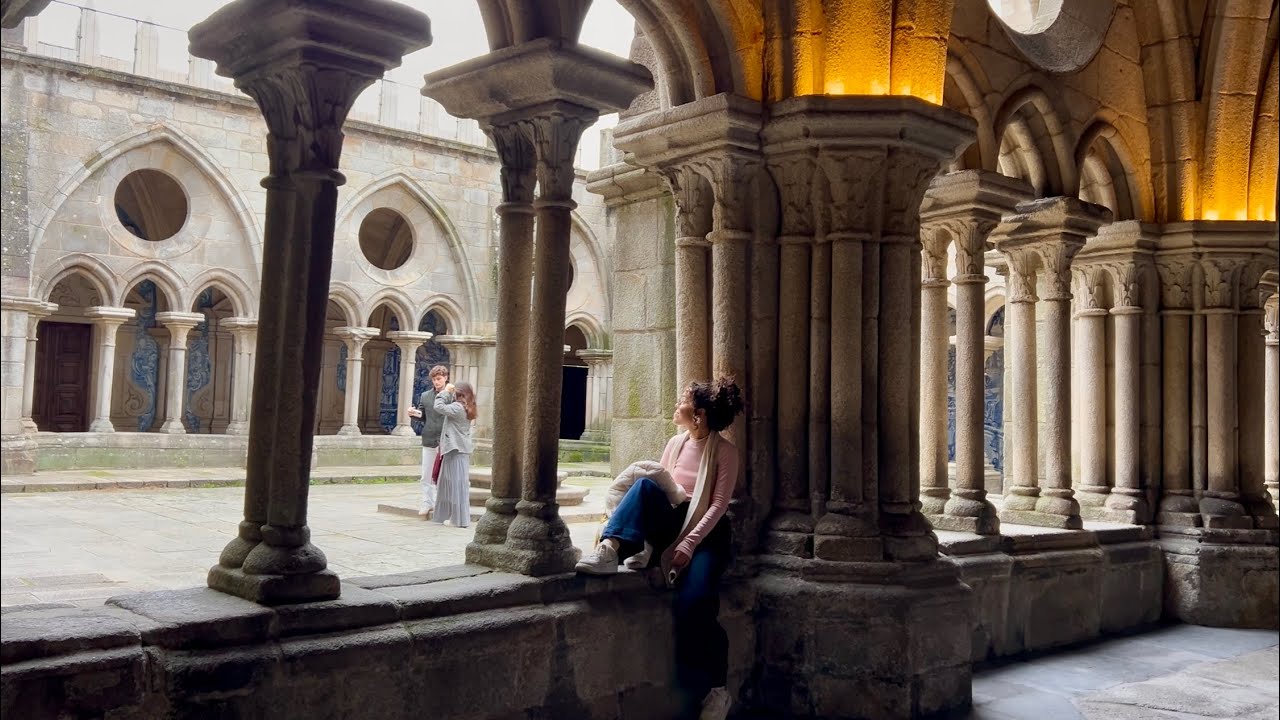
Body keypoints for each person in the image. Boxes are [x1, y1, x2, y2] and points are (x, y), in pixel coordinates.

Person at [576, 376, 745, 720]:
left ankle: (716, 692)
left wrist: (688, 544)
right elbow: (665, 491)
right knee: (645, 484)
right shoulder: (675, 443)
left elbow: (717, 506)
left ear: (698, 414)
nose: (676, 404)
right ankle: (610, 548)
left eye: (683, 399)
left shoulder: (725, 452)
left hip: (708, 537)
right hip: (675, 524)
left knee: (696, 604)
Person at [432, 381, 477, 529]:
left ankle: (460, 519)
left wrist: (445, 391)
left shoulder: (458, 408)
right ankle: (446, 516)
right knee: (447, 483)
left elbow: (438, 406)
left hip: (455, 450)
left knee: (456, 484)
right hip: (456, 449)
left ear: (459, 393)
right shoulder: (467, 407)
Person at [408, 365, 449, 517]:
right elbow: (422, 415)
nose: (436, 382)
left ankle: (441, 502)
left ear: (445, 377)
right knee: (426, 473)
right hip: (430, 438)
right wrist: (413, 413)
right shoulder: (425, 396)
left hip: (447, 440)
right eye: (434, 379)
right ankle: (427, 502)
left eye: (439, 379)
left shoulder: (452, 396)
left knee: (443, 474)